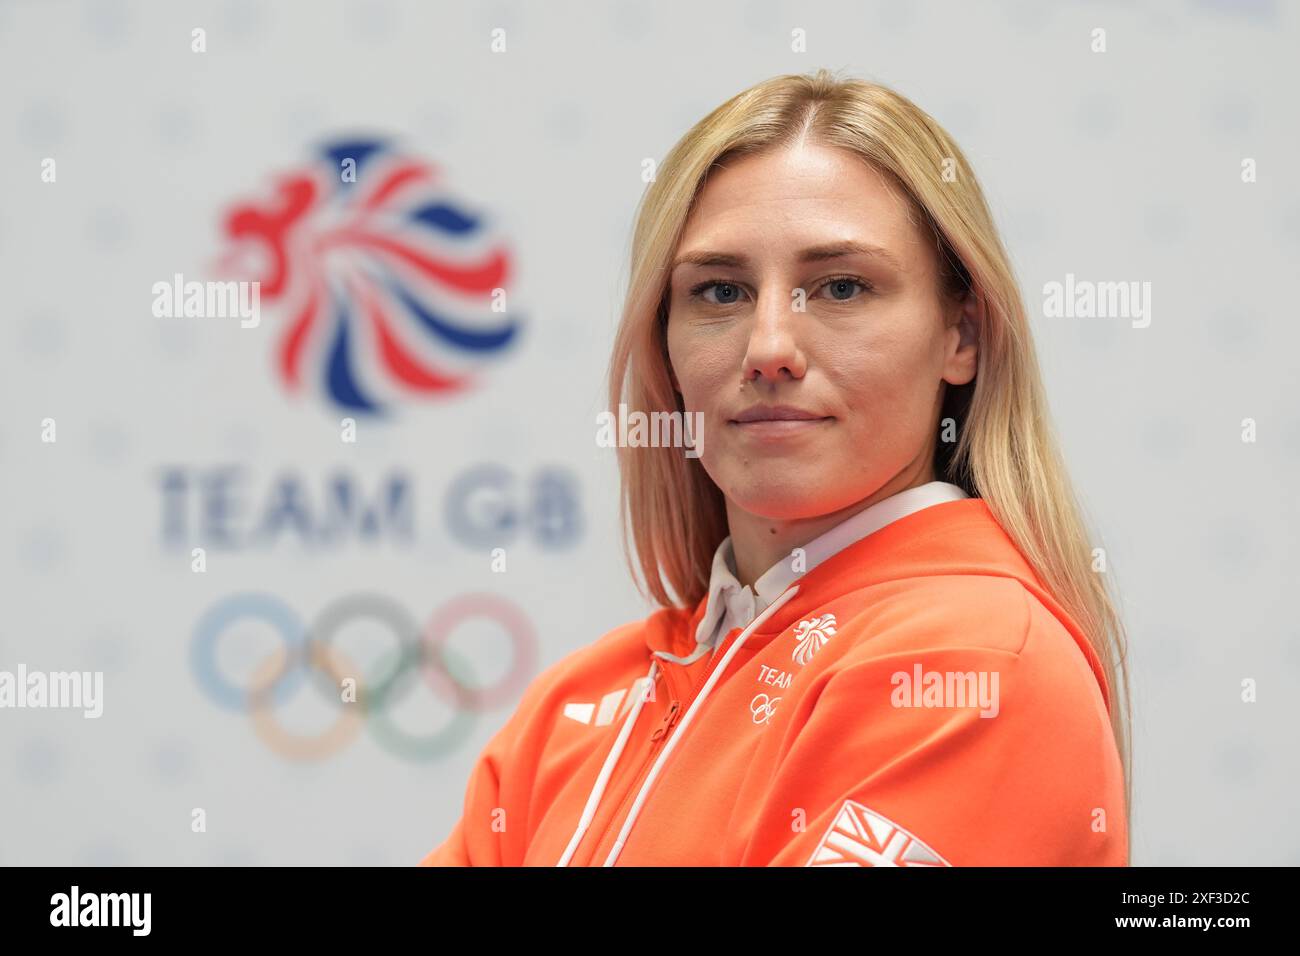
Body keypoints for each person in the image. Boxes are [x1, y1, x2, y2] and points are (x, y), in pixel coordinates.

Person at [420, 68, 1130, 867]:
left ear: (960, 335)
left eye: (840, 287)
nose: (768, 350)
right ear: (664, 345)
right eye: (720, 292)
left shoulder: (974, 663)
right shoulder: (576, 706)